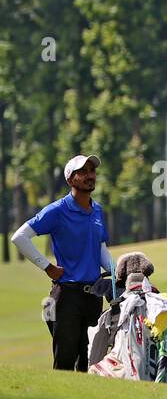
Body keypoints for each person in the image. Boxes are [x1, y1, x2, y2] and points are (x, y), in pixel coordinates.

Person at [11, 155, 114, 371]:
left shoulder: (97, 211)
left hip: (94, 296)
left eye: (92, 171)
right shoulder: (57, 210)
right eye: (83, 172)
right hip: (66, 296)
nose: (90, 176)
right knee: (65, 363)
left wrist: (117, 273)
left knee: (92, 363)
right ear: (70, 179)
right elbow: (20, 237)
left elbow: (100, 249)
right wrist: (46, 266)